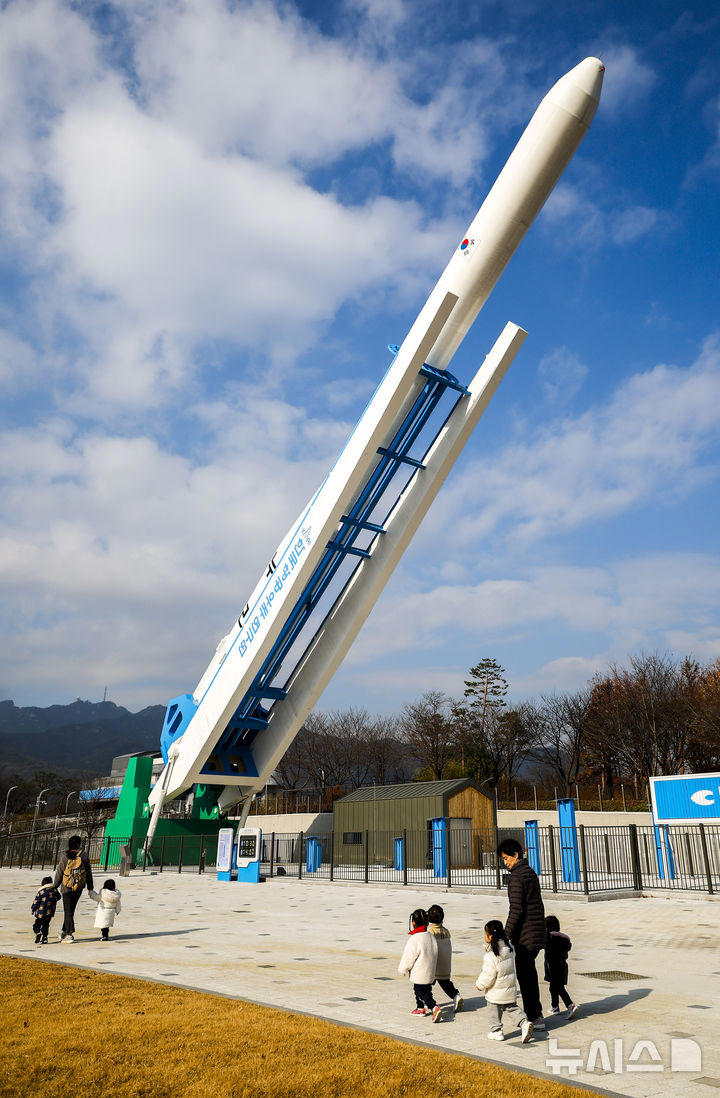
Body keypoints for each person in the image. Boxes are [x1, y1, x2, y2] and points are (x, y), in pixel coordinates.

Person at [498, 837, 546, 1029]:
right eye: (503, 859)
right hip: (536, 930)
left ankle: (534, 1017)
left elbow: (516, 909)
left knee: (526, 977)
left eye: (506, 858)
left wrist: (506, 935)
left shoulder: (516, 877)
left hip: (525, 934)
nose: (505, 862)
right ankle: (536, 1014)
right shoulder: (530, 872)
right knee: (530, 974)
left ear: (516, 855)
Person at [475, 919, 534, 1043]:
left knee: (493, 1010)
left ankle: (496, 1031)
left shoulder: (491, 955)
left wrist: (480, 984)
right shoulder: (509, 948)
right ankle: (524, 1023)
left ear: (490, 936)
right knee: (512, 1008)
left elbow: (488, 975)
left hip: (495, 991)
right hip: (509, 988)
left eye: (486, 933)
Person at [397, 908, 442, 1022]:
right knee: (426, 990)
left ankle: (434, 1007)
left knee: (421, 993)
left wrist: (403, 969)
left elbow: (409, 956)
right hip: (430, 971)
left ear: (413, 923)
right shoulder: (430, 936)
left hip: (419, 972)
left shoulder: (415, 939)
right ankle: (420, 1008)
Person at [52, 834, 94, 942]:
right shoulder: (83, 855)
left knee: (68, 911)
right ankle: (65, 931)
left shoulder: (65, 856)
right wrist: (90, 887)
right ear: (79, 844)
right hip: (78, 887)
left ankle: (69, 934)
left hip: (66, 887)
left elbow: (60, 872)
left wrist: (55, 886)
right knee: (71, 910)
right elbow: (88, 872)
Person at [427, 903, 463, 1012]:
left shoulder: (430, 932)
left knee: (426, 984)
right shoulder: (446, 931)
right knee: (446, 984)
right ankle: (456, 996)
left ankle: (428, 1002)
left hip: (434, 965)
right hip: (445, 965)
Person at [544, 914, 577, 1017]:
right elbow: (568, 947)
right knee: (553, 987)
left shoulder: (549, 937)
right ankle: (555, 1007)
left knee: (558, 988)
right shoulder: (564, 938)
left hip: (553, 966)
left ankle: (570, 1005)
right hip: (562, 965)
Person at [30, 875, 59, 944]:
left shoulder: (41, 892)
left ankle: (38, 933)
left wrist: (32, 909)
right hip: (50, 913)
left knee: (36, 925)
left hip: (41, 913)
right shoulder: (55, 890)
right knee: (46, 925)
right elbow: (59, 897)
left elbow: (36, 902)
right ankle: (45, 938)